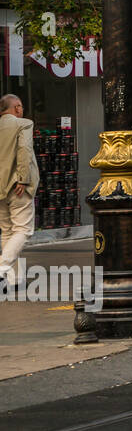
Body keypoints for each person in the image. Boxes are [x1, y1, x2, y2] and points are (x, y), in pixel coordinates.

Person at [0, 94, 39, 294]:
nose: (22, 109)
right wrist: (23, 178)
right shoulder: (23, 124)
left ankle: (14, 280)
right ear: (16, 107)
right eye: (21, 106)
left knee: (8, 231)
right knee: (23, 230)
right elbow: (24, 149)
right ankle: (2, 268)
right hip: (17, 185)